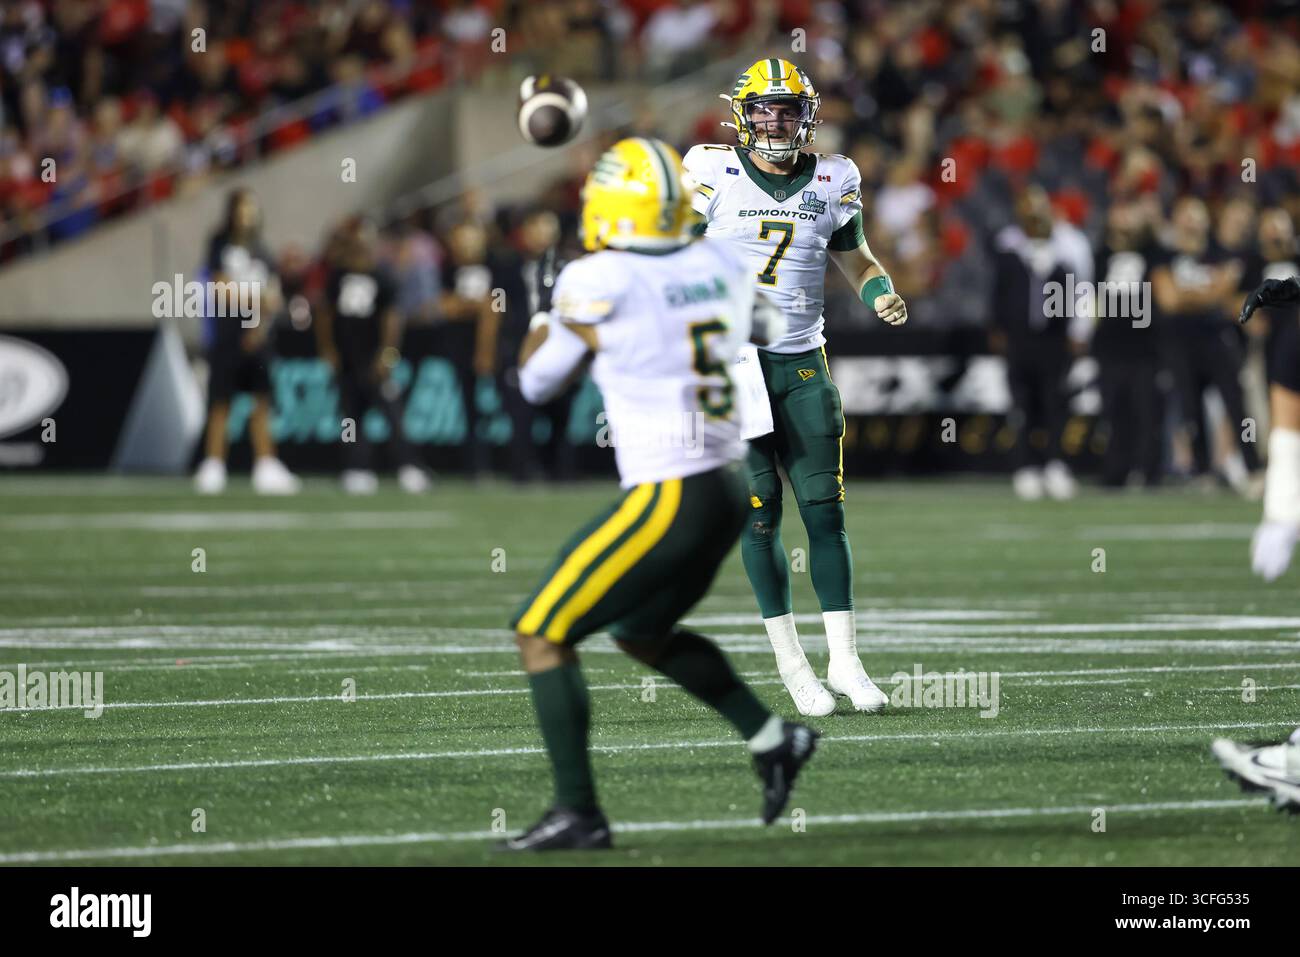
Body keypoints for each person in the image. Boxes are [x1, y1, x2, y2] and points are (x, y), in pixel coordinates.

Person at [502, 137, 817, 851]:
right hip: (727, 487)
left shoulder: (599, 276)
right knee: (640, 632)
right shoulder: (718, 260)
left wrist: (545, 316)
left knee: (541, 634)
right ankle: (774, 737)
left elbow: (536, 381)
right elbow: (765, 327)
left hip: (670, 493)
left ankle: (579, 813)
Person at [682, 58, 906, 718]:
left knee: (826, 512)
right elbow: (667, 252)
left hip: (804, 362)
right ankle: (792, 664)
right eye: (763, 109)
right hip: (733, 366)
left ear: (804, 115)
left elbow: (855, 252)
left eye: (786, 109)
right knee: (759, 514)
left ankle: (845, 658)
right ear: (742, 115)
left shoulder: (836, 175)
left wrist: (879, 290)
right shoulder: (710, 169)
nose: (774, 121)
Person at [194, 187, 300, 495]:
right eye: (243, 208)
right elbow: (220, 288)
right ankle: (213, 464)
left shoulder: (262, 250)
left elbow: (274, 296)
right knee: (220, 402)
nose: (247, 214)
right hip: (227, 335)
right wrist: (256, 299)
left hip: (257, 338)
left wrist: (260, 326)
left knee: (262, 401)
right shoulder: (219, 244)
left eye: (251, 208)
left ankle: (266, 464)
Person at [316, 215, 430, 494]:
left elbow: (392, 318)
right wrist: (328, 349)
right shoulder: (338, 276)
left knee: (392, 414)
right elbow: (324, 316)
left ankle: (408, 466)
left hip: (374, 357)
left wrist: (388, 354)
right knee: (351, 417)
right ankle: (357, 467)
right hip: (347, 358)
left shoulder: (382, 276)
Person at [989, 184, 1081, 502]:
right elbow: (999, 298)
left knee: (1055, 406)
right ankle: (1026, 467)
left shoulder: (1063, 259)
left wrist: (1073, 333)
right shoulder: (1011, 257)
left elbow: (1073, 301)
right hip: (1020, 341)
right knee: (1023, 407)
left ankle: (1055, 465)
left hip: (1053, 343)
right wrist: (999, 329)